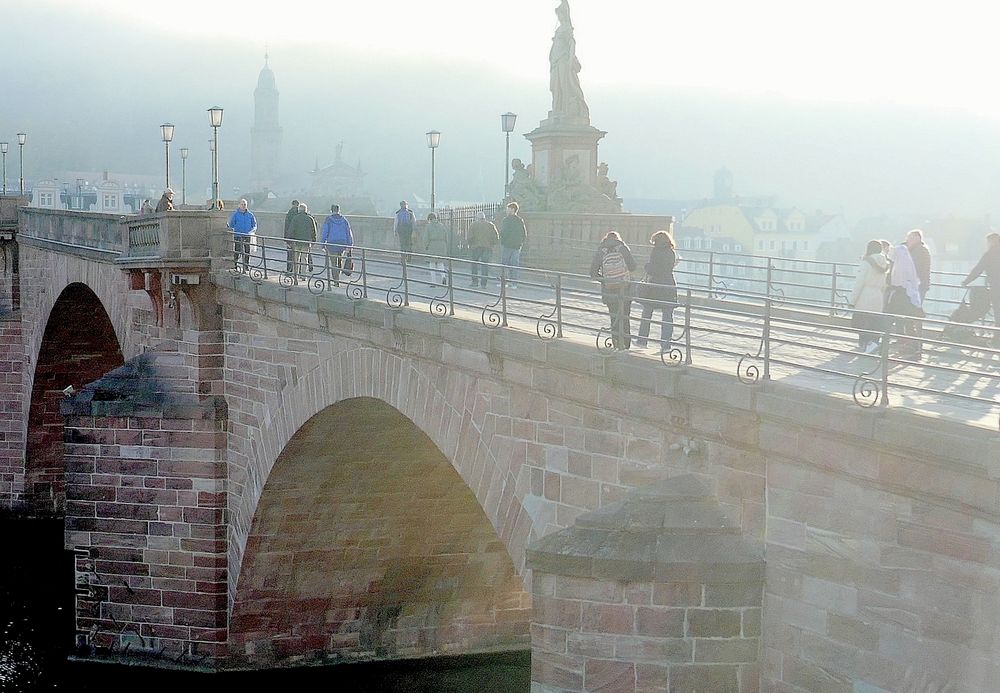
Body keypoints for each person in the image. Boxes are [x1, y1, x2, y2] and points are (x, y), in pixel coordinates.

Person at [590, 230, 637, 350]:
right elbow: (633, 267)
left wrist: (607, 280)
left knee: (614, 317)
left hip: (609, 291)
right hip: (625, 289)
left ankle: (616, 343)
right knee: (625, 317)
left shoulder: (601, 250)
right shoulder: (623, 248)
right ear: (618, 238)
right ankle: (626, 345)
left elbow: (593, 273)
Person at [635, 229, 678, 352]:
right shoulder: (671, 252)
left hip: (655, 286)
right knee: (667, 316)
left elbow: (654, 269)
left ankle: (642, 340)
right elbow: (667, 268)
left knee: (647, 312)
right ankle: (666, 345)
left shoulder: (656, 251)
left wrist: (646, 266)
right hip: (668, 286)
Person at [887, 231, 925, 358]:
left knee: (906, 320)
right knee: (907, 320)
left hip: (903, 294)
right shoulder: (908, 258)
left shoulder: (916, 254)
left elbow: (898, 280)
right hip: (908, 293)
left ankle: (910, 344)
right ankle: (909, 343)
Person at [850, 240, 889, 353]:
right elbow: (884, 284)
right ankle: (872, 344)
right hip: (878, 295)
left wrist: (852, 301)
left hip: (865, 295)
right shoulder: (884, 263)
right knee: (874, 322)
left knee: (860, 322)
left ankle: (864, 343)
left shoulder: (866, 262)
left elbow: (859, 283)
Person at [961, 231, 1000, 341]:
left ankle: (997, 339)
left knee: (998, 313)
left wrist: (966, 281)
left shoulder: (990, 253)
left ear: (992, 241)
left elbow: (978, 269)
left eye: (988, 242)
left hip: (996, 287)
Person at [320, 204, 354, 286]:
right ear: (339, 210)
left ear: (331, 210)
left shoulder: (328, 220)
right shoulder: (344, 220)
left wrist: (322, 243)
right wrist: (350, 244)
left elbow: (325, 232)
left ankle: (336, 281)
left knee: (333, 263)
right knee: (339, 261)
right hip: (342, 243)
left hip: (331, 243)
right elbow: (348, 233)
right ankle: (337, 278)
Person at [286, 202, 317, 281]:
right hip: (306, 242)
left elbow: (291, 230)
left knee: (296, 258)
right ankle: (303, 275)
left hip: (296, 242)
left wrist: (288, 241)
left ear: (299, 210)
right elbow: (314, 230)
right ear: (306, 210)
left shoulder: (295, 218)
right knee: (304, 259)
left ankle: (295, 274)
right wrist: (313, 240)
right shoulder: (310, 218)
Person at [467, 212, 499, 288]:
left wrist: (470, 245)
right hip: (487, 247)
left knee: (474, 265)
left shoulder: (473, 225)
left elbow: (470, 237)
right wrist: (492, 244)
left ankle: (475, 282)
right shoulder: (490, 225)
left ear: (477, 218)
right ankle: (483, 284)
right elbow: (496, 237)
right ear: (484, 218)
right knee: (485, 265)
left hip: (476, 247)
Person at [499, 202, 527, 287]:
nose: (506, 210)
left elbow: (503, 232)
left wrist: (502, 241)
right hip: (517, 246)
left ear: (512, 209)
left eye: (508, 209)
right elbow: (524, 233)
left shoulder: (506, 220)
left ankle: (504, 282)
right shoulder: (520, 220)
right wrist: (521, 242)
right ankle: (514, 283)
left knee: (504, 264)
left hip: (507, 245)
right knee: (514, 265)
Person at [227, 198, 257, 272]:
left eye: (245, 205)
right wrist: (234, 230)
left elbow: (255, 225)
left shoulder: (250, 214)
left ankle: (246, 266)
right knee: (237, 250)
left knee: (247, 251)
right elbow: (231, 224)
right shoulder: (235, 214)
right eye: (242, 204)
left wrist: (252, 231)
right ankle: (235, 265)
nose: (243, 206)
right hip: (238, 235)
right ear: (239, 205)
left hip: (247, 235)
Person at [424, 213, 453, 286]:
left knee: (432, 264)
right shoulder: (441, 226)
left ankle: (434, 282)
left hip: (432, 245)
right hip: (442, 245)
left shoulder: (428, 226)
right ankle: (443, 276)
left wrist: (426, 246)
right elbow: (446, 236)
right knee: (440, 263)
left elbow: (426, 238)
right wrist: (445, 245)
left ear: (429, 219)